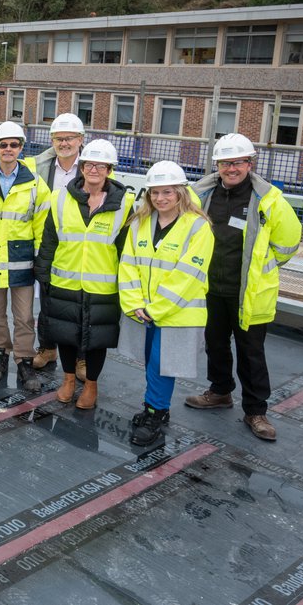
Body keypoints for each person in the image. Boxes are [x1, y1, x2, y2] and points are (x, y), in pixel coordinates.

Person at [185, 133, 302, 442]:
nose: (231, 168)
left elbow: (288, 244)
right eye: (225, 163)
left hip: (249, 293)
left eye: (238, 162)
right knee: (216, 343)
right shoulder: (202, 194)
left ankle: (256, 411)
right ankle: (220, 391)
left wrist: (265, 266)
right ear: (217, 165)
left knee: (251, 352)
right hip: (211, 288)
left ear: (251, 163)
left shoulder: (269, 199)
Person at [33, 139, 134, 411]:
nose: (94, 170)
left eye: (101, 165)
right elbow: (49, 239)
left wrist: (128, 284)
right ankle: (67, 380)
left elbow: (128, 249)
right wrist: (42, 271)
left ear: (109, 170)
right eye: (89, 164)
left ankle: (91, 384)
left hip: (102, 285)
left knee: (96, 339)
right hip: (65, 280)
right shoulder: (60, 198)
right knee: (66, 334)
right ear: (82, 167)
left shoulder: (125, 204)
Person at [118, 161, 214, 446]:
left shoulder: (198, 227)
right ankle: (156, 406)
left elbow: (188, 277)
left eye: (167, 192)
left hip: (177, 313)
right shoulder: (139, 222)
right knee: (151, 362)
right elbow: (128, 265)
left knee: (162, 364)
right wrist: (136, 303)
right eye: (155, 193)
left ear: (181, 193)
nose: (161, 199)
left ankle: (154, 413)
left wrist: (153, 309)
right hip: (144, 311)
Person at [0, 122, 49, 392]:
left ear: (21, 147)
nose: (8, 149)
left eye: (14, 144)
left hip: (23, 263)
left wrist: (41, 259)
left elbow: (42, 224)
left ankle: (24, 360)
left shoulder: (35, 183)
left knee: (24, 317)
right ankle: (0, 355)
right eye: (3, 144)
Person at [31, 112, 86, 372]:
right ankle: (48, 348)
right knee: (47, 298)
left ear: (81, 140)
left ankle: (81, 357)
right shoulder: (39, 167)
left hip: (80, 245)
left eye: (70, 138)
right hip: (48, 242)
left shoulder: (92, 166)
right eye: (59, 138)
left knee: (80, 302)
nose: (64, 143)